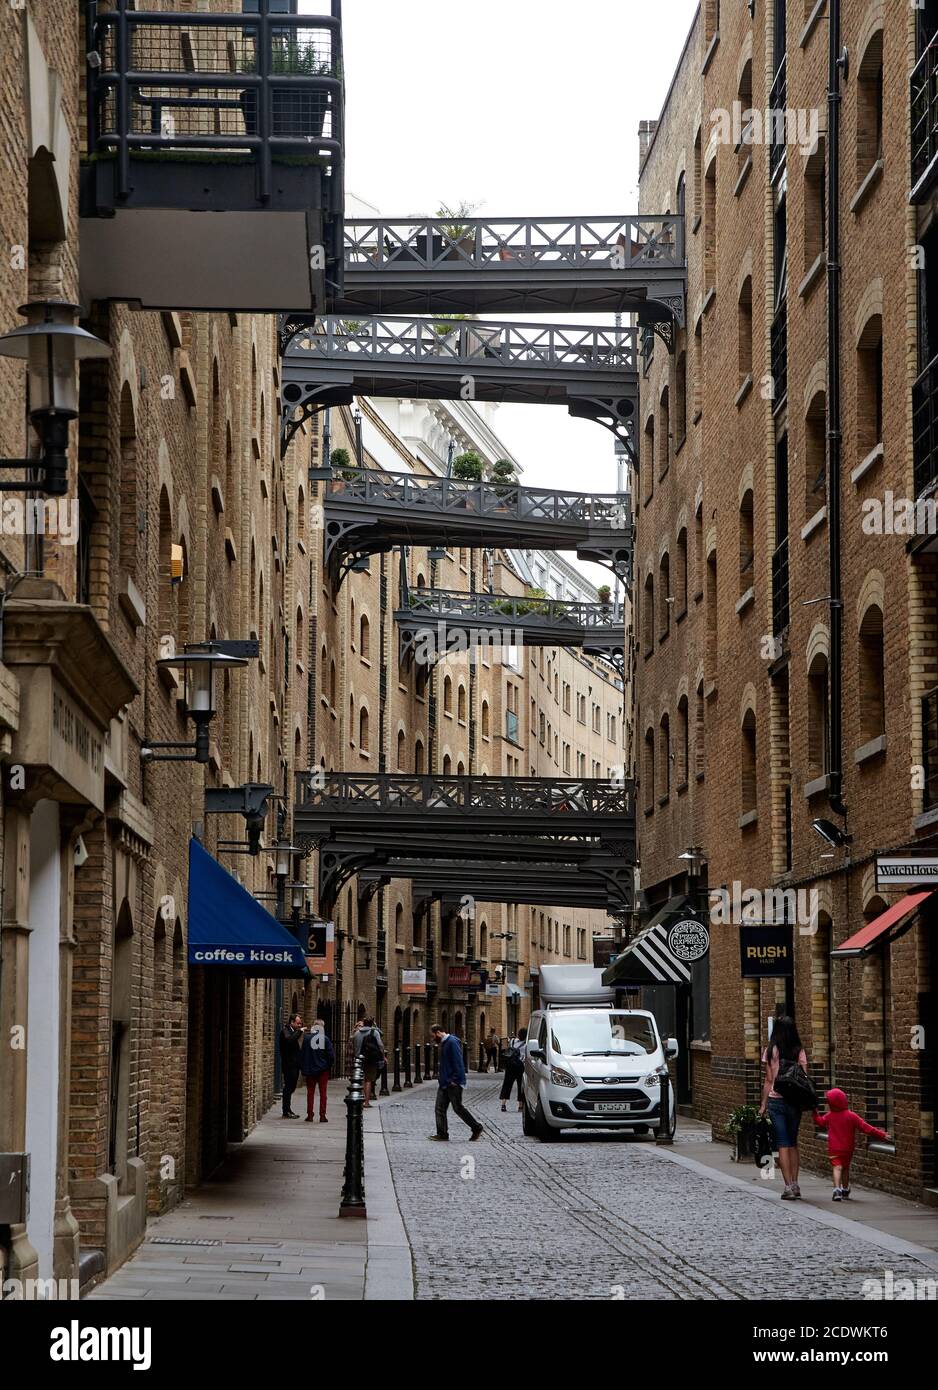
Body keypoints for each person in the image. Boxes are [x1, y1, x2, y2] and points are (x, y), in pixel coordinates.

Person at [759, 1015, 808, 1199]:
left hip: (777, 1100)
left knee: (782, 1143)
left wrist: (763, 1104)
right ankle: (795, 1184)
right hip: (794, 1102)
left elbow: (768, 1080)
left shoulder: (771, 1051)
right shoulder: (799, 1051)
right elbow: (804, 1078)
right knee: (793, 1142)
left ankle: (787, 1186)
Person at [814, 1088, 889, 1201]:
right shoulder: (851, 1116)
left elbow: (819, 1122)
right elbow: (866, 1127)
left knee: (837, 1167)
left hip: (834, 1148)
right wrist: (882, 1135)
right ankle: (845, 1189)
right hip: (848, 1148)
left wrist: (814, 1112)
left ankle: (836, 1189)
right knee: (845, 1168)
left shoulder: (829, 1116)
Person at [429, 1023, 482, 1142]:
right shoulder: (446, 1043)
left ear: (438, 1032)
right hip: (445, 1082)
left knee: (458, 1108)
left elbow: (458, 1061)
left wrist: (455, 1079)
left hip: (452, 1082)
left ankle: (476, 1127)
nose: (433, 1039)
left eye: (433, 1036)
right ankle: (442, 1133)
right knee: (440, 1108)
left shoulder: (452, 1043)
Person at [300, 1018, 335, 1122]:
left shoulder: (306, 1038)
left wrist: (304, 1067)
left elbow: (303, 1054)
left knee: (310, 1093)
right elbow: (331, 1056)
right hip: (323, 1070)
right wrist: (328, 1065)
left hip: (310, 1070)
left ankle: (310, 1115)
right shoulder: (325, 1039)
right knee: (323, 1093)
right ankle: (322, 1115)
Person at [354, 1016, 385, 1108]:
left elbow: (355, 1046)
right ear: (371, 1024)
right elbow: (380, 1045)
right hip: (371, 1059)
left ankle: (359, 1099)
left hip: (359, 1059)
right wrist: (383, 1057)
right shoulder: (374, 1032)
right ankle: (366, 1102)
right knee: (368, 1080)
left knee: (360, 1079)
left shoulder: (357, 1033)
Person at [279, 1014, 304, 1119]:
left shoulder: (292, 1031)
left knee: (291, 1087)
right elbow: (289, 1041)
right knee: (288, 1088)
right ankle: (286, 1110)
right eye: (298, 1023)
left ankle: (288, 1109)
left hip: (294, 1065)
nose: (299, 1025)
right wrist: (300, 1032)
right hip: (289, 1065)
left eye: (300, 1024)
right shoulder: (285, 1031)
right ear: (292, 1022)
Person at [499, 1027, 526, 1112]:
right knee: (520, 1085)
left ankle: (503, 1104)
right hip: (520, 1066)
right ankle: (520, 1106)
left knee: (507, 1084)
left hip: (510, 1065)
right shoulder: (526, 1045)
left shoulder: (513, 1041)